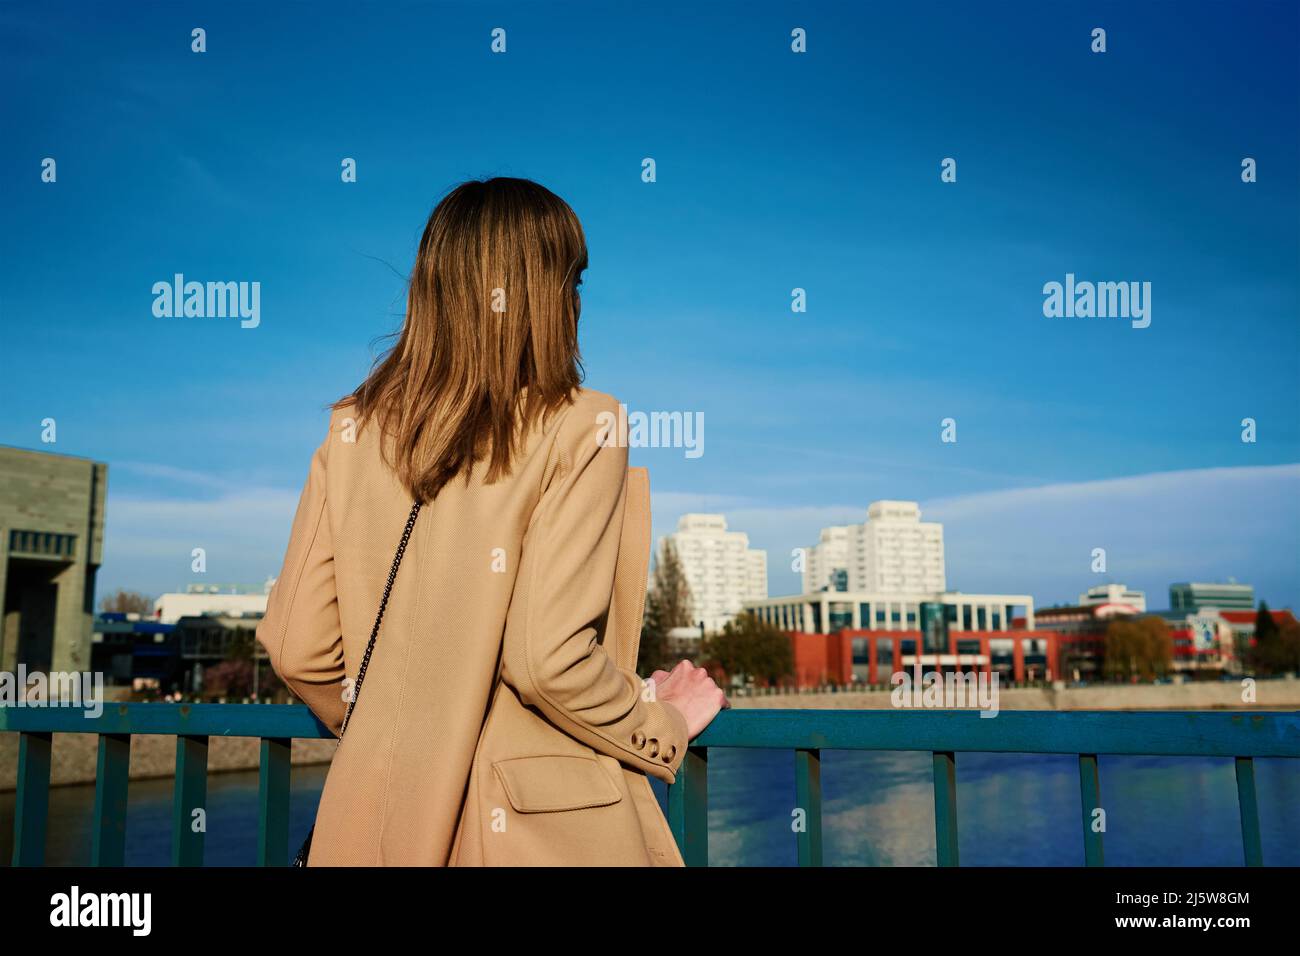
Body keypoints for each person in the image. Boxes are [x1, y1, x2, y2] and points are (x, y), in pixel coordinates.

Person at [255, 177, 728, 866]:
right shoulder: (583, 421)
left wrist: (410, 732)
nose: (576, 302)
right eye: (574, 281)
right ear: (547, 292)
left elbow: (297, 647)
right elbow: (546, 660)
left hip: (377, 829)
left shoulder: (353, 432)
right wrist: (661, 720)